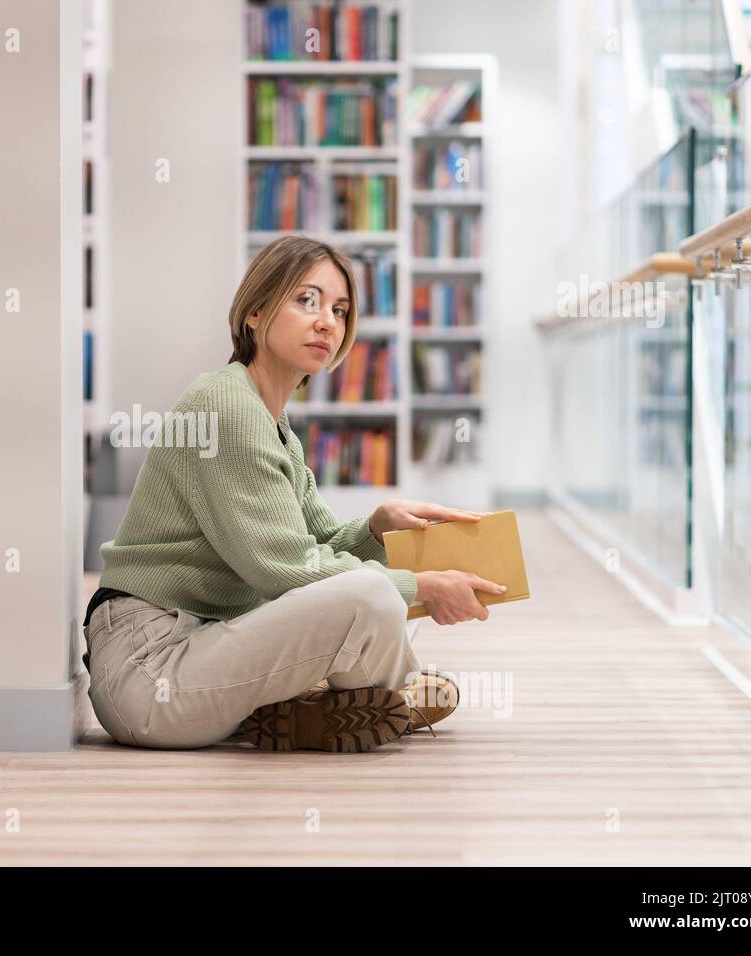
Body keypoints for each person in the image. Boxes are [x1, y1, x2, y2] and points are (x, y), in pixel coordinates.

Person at [83, 236, 505, 752]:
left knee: (379, 601)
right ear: (255, 312)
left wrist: (376, 528)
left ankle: (326, 701)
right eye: (307, 300)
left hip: (203, 647)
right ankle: (378, 694)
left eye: (340, 310)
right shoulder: (226, 406)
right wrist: (421, 587)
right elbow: (284, 567)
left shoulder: (274, 423)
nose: (328, 321)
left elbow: (319, 540)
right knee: (377, 599)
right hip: (150, 673)